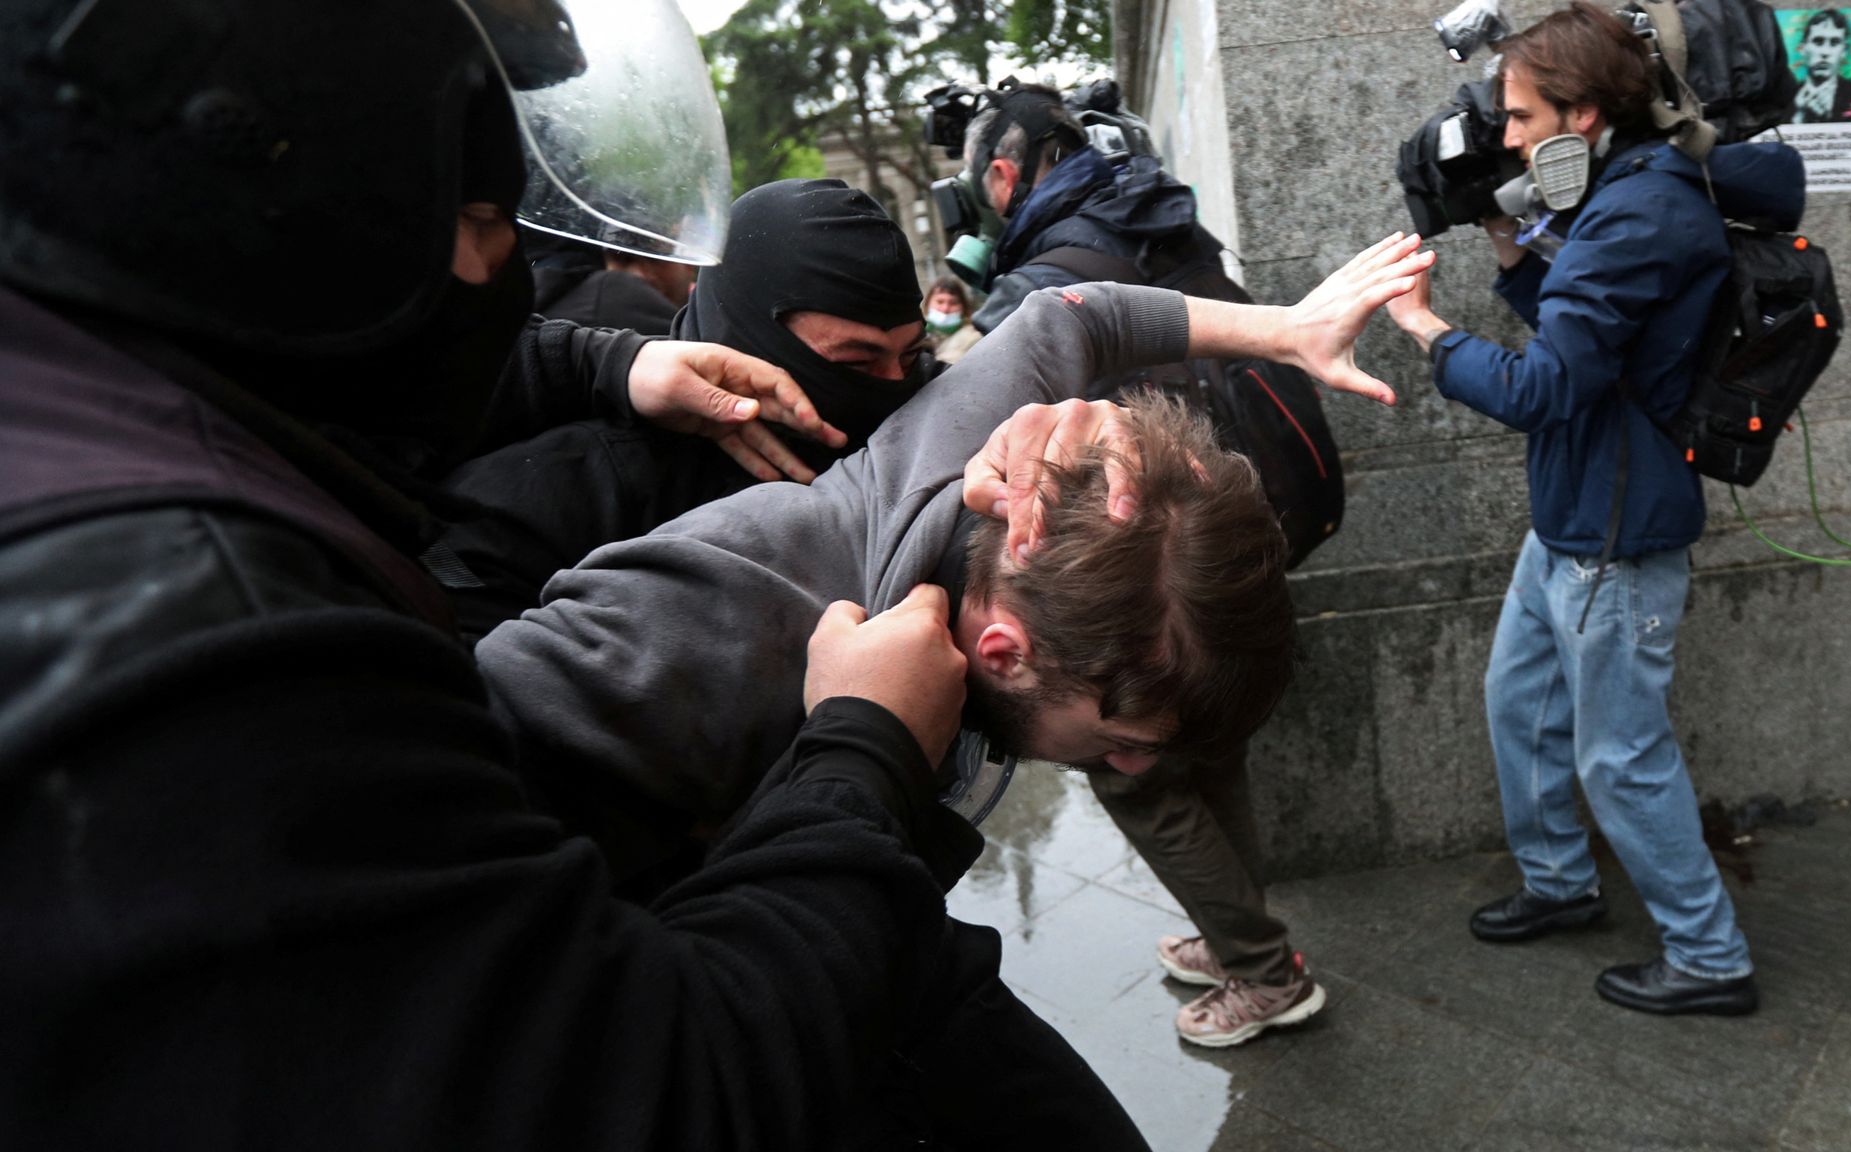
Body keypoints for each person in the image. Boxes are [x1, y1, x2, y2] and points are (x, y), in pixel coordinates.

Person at [0, 1, 1087, 1146]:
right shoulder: (210, 648)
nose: (500, 262)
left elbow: (335, 376)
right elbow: (649, 1092)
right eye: (472, 216)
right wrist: (862, 747)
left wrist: (613, 366)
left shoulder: (91, 387)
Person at [475, 234, 1430, 894]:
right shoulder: (710, 619)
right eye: (1128, 736)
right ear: (1005, 653)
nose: (1139, 764)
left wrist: (1287, 331)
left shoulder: (993, 451)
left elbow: (1077, 315)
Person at [1385, 0, 1807, 1016]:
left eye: (1522, 118)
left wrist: (1423, 330)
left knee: (1619, 758)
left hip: (1614, 537)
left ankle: (1708, 959)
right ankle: (1560, 884)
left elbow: (1545, 389)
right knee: (1517, 705)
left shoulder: (1637, 211)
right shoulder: (1623, 191)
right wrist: (1505, 243)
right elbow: (1591, 337)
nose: (1508, 137)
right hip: (1572, 516)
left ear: (1580, 117)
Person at [950, 81, 1327, 1046]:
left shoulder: (1054, 263)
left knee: (1137, 770)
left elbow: (957, 407)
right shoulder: (1149, 212)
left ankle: (1261, 970)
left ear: (1002, 173)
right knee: (1205, 740)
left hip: (1132, 581)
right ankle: (1241, 934)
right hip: (1226, 538)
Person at [434, 178, 929, 642]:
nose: (892, 386)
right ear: (752, 334)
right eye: (856, 361)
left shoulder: (929, 414)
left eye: (909, 355)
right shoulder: (579, 480)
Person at [527, 228, 694, 335]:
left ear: (688, 262)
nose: (640, 274)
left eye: (657, 258)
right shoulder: (611, 291)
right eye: (622, 259)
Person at [1791, 8, 1851, 124]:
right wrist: (1800, 115)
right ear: (1803, 48)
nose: (1825, 52)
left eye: (1834, 43)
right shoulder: (1784, 97)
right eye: (1818, 41)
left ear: (1844, 51)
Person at [924, 274, 981, 363]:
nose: (945, 309)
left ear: (963, 308)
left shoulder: (972, 339)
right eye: (940, 302)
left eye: (953, 303)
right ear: (927, 304)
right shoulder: (919, 335)